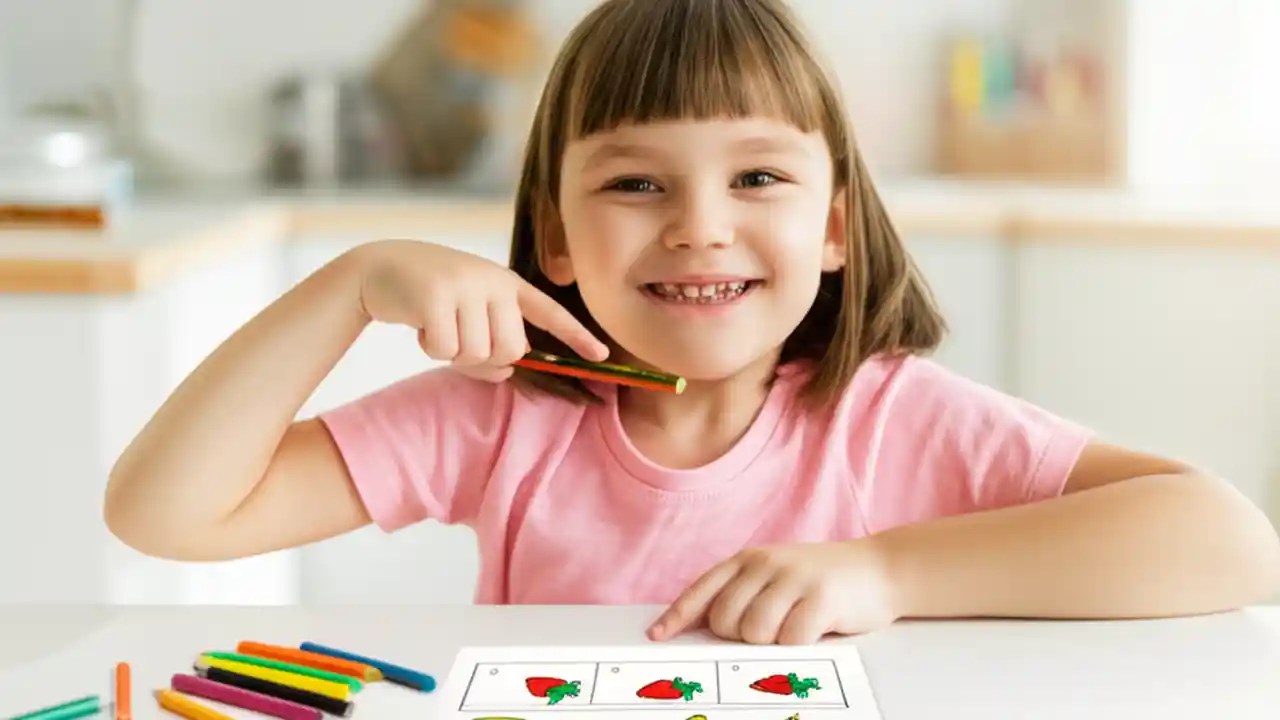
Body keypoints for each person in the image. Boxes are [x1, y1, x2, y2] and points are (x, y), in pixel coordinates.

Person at [104, 0, 1279, 645]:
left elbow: (1230, 543)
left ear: (834, 229)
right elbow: (167, 512)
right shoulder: (507, 417)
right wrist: (348, 283)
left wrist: (884, 571)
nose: (698, 228)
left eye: (757, 180)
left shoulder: (889, 419)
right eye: (633, 183)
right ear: (553, 240)